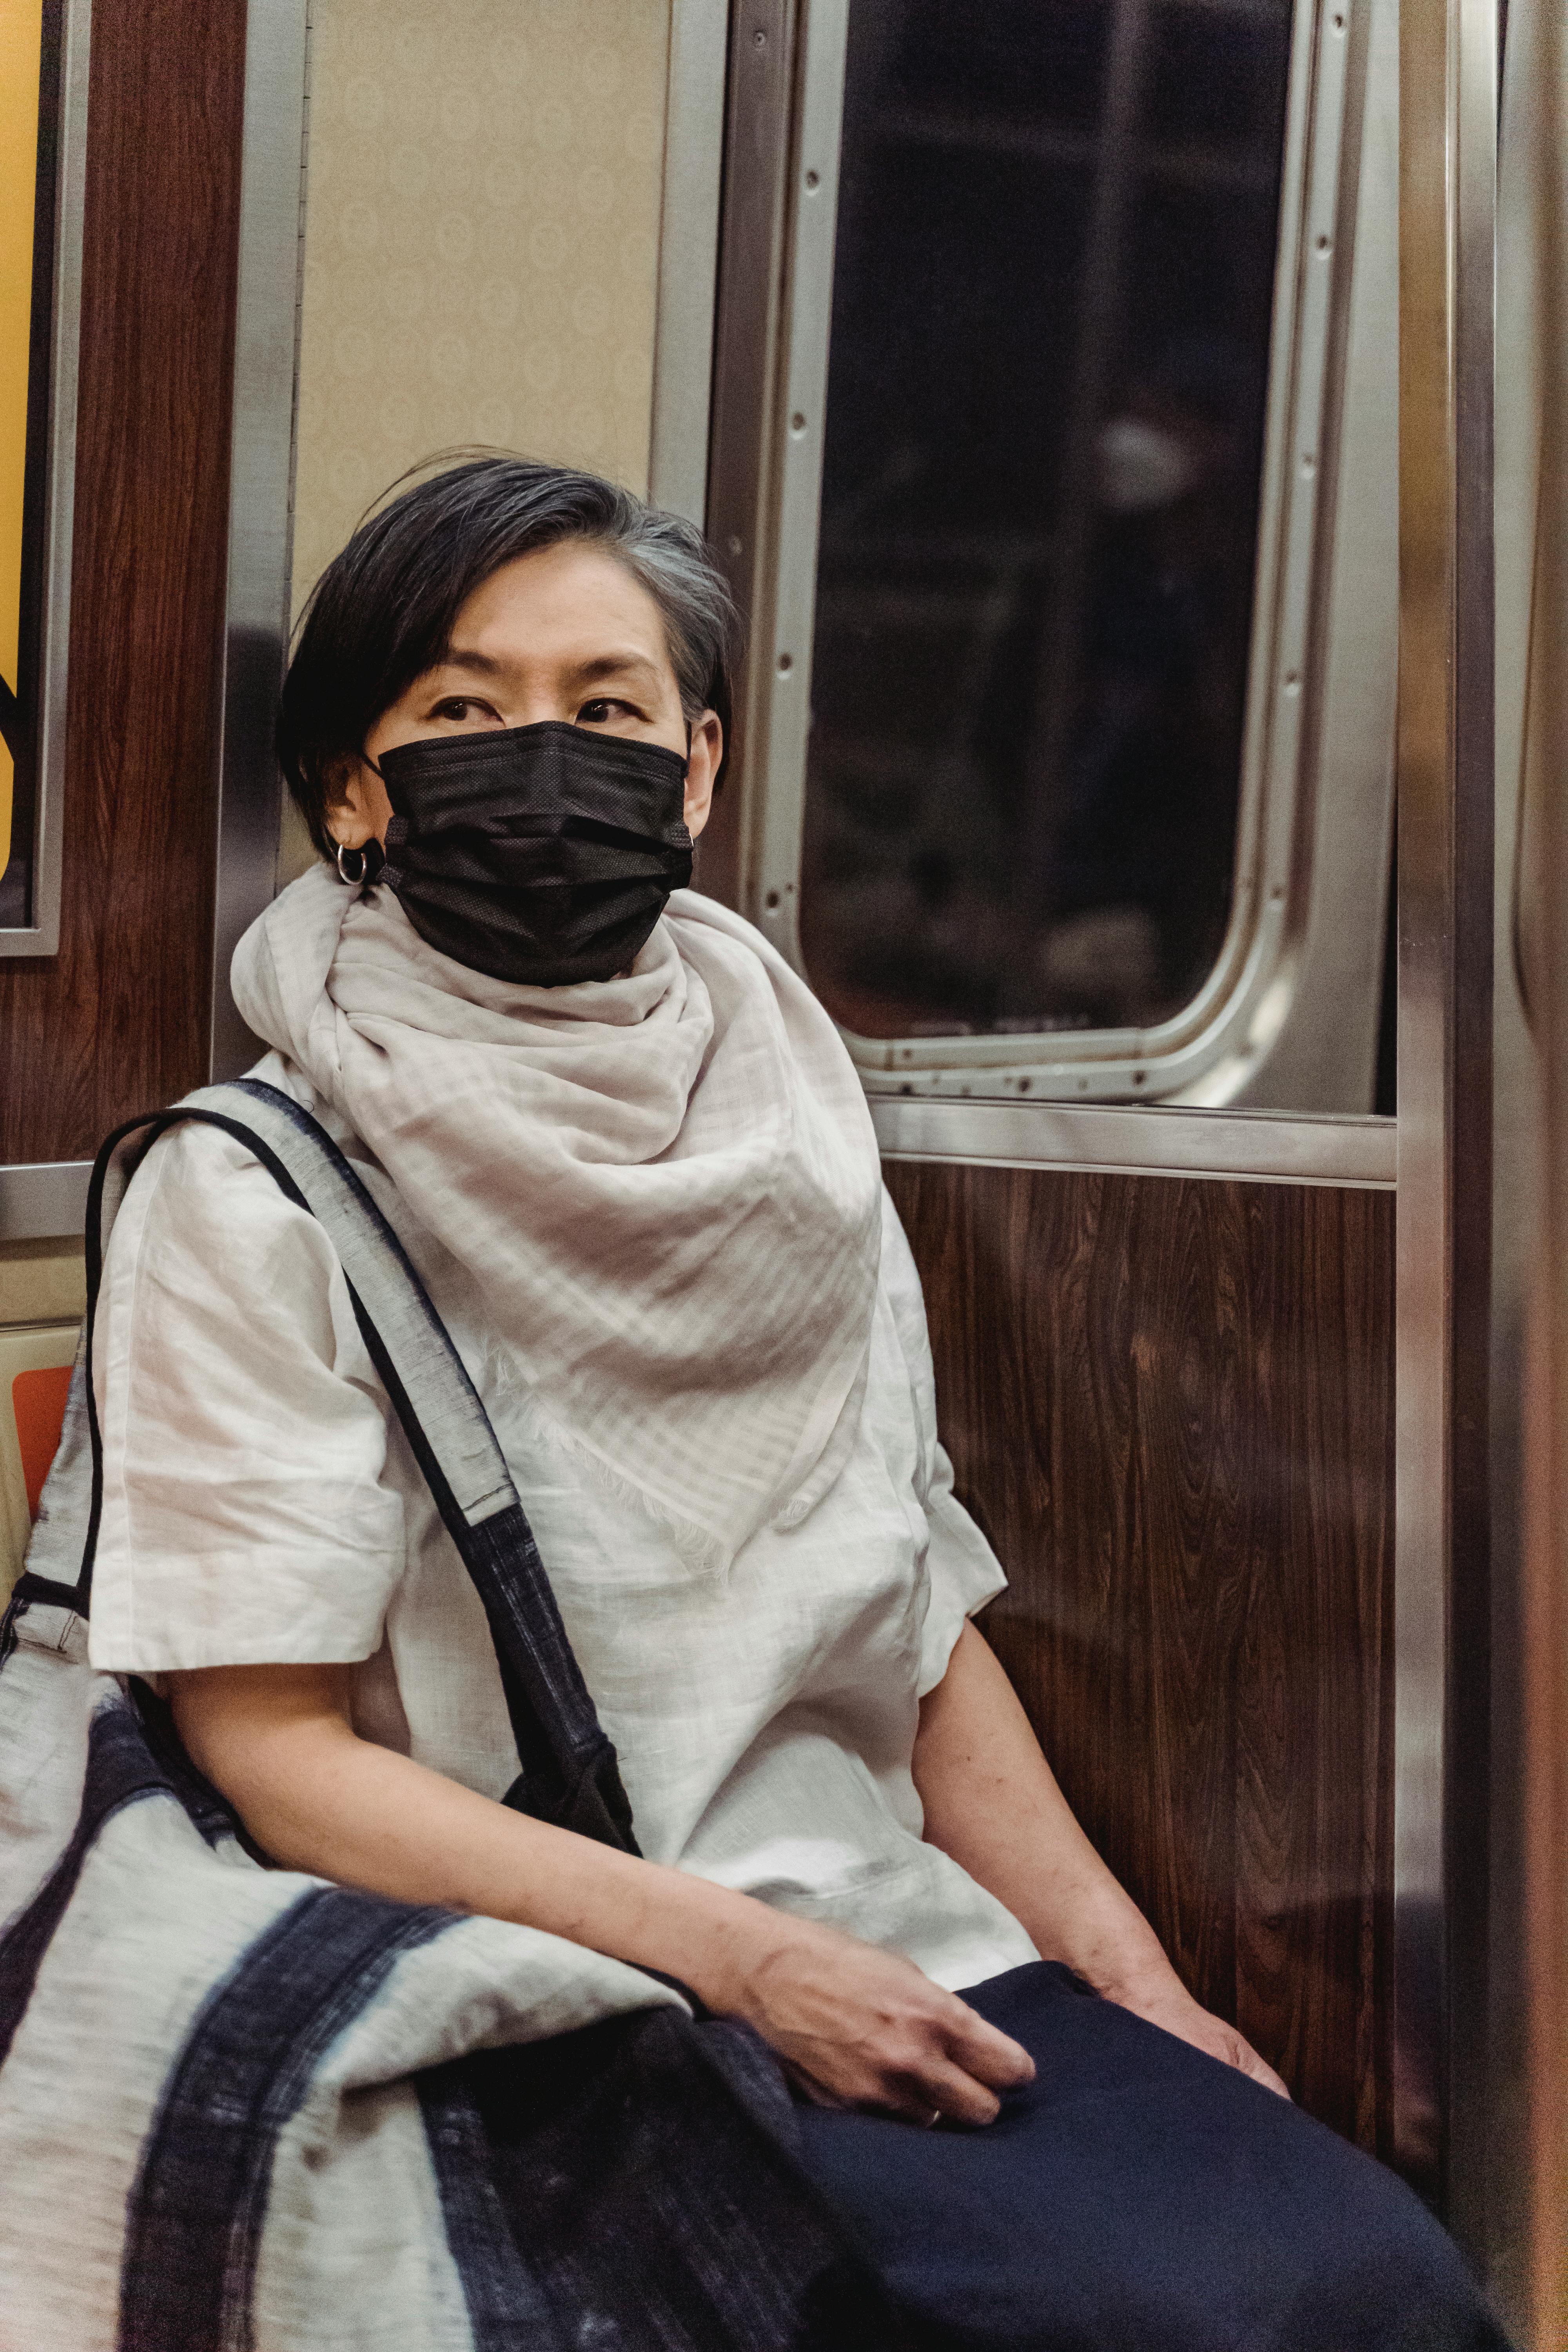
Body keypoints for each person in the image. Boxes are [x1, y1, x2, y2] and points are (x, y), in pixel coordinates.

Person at [85, 456, 1507, 2348]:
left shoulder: (795, 1127)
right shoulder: (249, 1185)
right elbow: (278, 1754)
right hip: (523, 1978)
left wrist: (1132, 1981)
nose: (541, 755)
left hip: (886, 1926)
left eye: (602, 708)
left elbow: (907, 1619)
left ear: (694, 768)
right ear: (356, 786)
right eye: (459, 710)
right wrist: (751, 1964)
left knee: (1377, 2277)